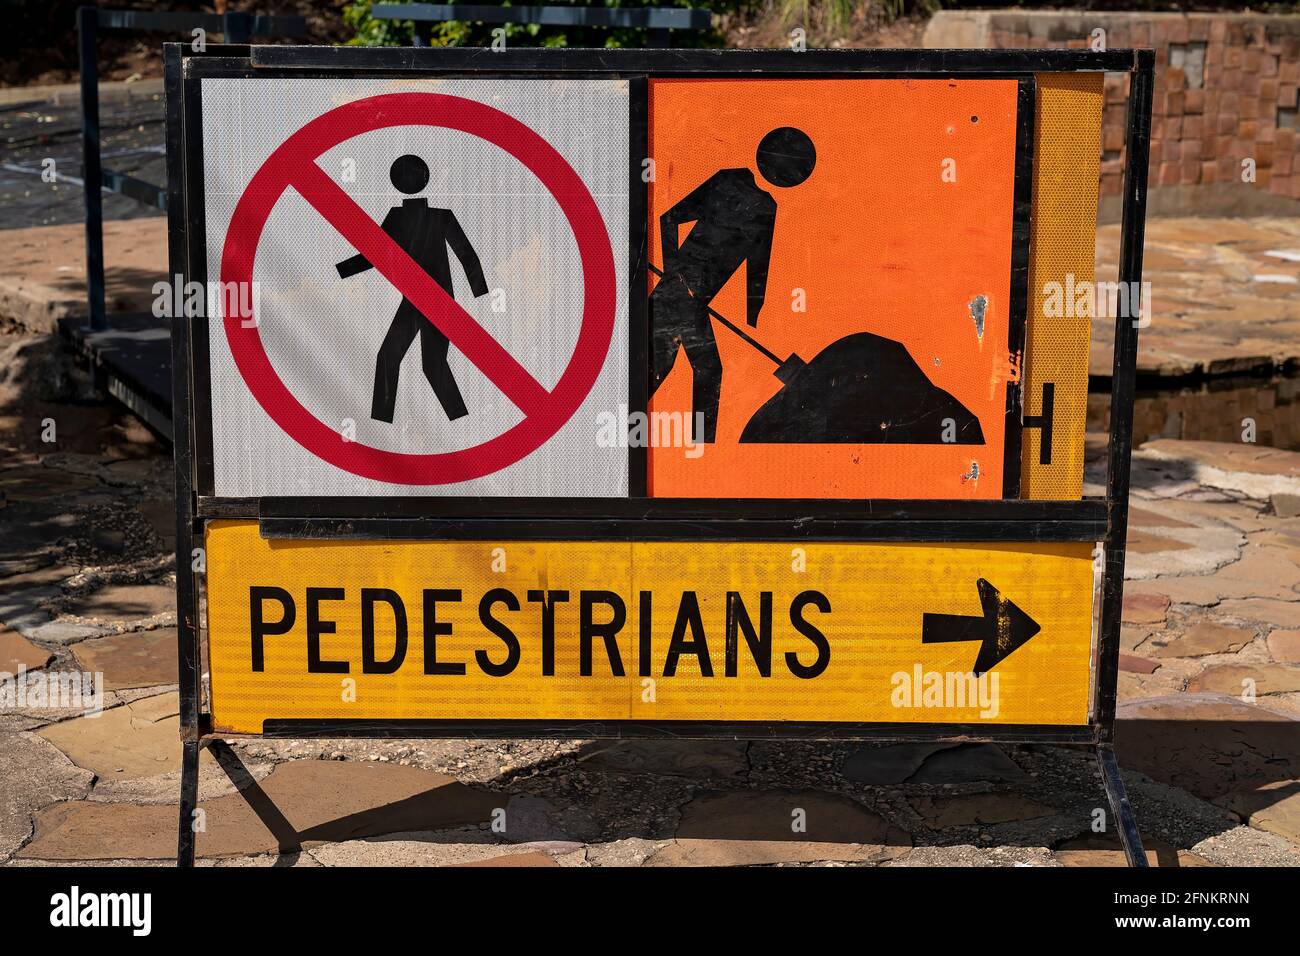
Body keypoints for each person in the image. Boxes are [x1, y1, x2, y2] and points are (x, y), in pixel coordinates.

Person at [650, 127, 816, 443]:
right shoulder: (728, 180)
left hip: (694, 301)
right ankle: (699, 449)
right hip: (673, 295)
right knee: (675, 368)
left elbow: (758, 270)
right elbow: (669, 218)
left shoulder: (767, 210)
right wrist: (675, 274)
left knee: (693, 370)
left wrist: (753, 315)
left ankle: (701, 449)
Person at [337, 154, 489, 423]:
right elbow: (467, 255)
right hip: (435, 299)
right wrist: (481, 294)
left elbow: (373, 256)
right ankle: (461, 420)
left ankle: (387, 422)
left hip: (427, 299)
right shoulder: (437, 217)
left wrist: (340, 270)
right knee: (430, 365)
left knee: (400, 360)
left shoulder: (400, 218)